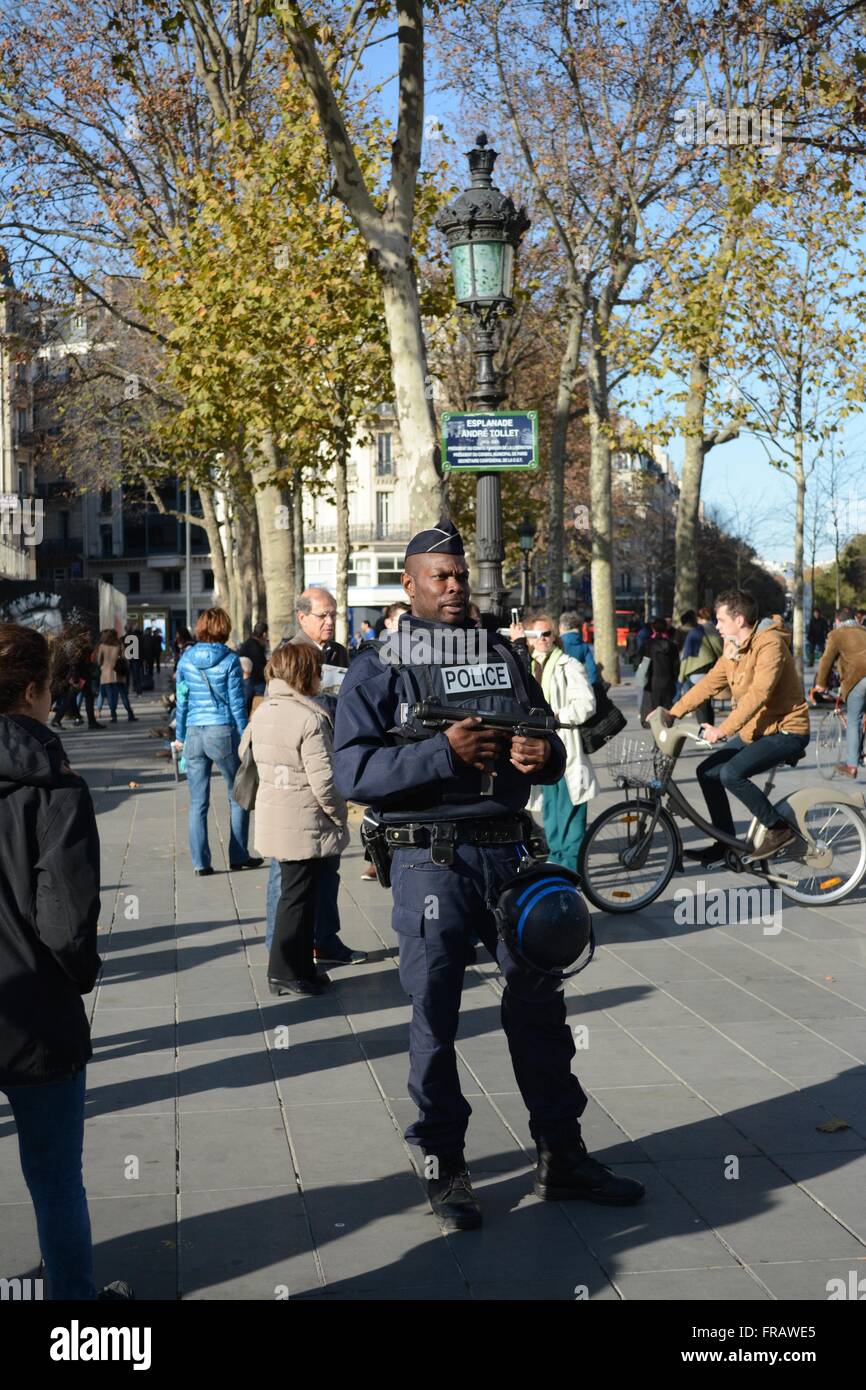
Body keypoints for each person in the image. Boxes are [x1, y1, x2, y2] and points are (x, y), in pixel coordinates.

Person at [333, 520, 644, 1232]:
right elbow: (353, 773)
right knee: (435, 1016)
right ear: (407, 584)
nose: (452, 586)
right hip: (428, 861)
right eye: (437, 576)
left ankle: (562, 1156)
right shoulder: (378, 664)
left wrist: (543, 759)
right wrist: (441, 753)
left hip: (509, 854)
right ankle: (446, 1169)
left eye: (459, 574)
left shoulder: (500, 652)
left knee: (539, 1010)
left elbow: (546, 741)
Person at [0, 623, 132, 1300]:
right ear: (33, 692)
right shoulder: (56, 786)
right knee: (54, 1181)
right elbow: (66, 918)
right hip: (35, 1012)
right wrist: (78, 977)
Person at [658, 590, 810, 864]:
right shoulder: (733, 648)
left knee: (730, 773)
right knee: (706, 772)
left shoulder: (770, 644)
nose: (716, 626)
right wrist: (673, 713)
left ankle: (779, 829)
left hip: (787, 730)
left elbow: (759, 694)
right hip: (757, 730)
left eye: (720, 619)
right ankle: (725, 841)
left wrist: (723, 729)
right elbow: (709, 683)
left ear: (739, 619)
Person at [242, 643, 350, 996]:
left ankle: (301, 967)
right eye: (317, 669)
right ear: (305, 673)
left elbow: (246, 752)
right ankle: (284, 970)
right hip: (304, 819)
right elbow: (324, 781)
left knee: (298, 896)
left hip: (278, 814)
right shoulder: (310, 718)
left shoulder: (266, 709)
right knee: (297, 899)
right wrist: (339, 815)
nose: (322, 676)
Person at [173, 607, 261, 875]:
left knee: (198, 802)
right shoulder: (230, 660)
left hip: (193, 733)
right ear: (224, 628)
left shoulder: (186, 660)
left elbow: (182, 700)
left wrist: (179, 737)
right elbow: (236, 704)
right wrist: (246, 736)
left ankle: (201, 863)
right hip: (221, 730)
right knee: (237, 794)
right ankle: (238, 854)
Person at [525, 615, 598, 868]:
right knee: (550, 806)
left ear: (555, 635)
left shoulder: (568, 665)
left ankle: (569, 862)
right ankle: (556, 857)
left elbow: (587, 704)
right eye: (536, 635)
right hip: (540, 745)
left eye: (546, 633)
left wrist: (558, 717)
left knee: (570, 805)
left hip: (565, 742)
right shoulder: (528, 665)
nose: (542, 639)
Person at [812, 606, 866, 777]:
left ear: (837, 621)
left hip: (858, 679)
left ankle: (851, 766)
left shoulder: (836, 634)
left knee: (854, 719)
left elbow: (826, 661)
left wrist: (820, 684)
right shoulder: (864, 630)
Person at [51, 624, 103, 732]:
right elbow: (75, 663)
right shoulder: (80, 646)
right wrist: (75, 679)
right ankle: (57, 719)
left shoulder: (79, 644)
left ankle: (91, 721)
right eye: (87, 634)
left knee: (83, 697)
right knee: (72, 698)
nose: (90, 636)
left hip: (81, 676)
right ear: (82, 635)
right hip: (80, 677)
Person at [677, 610, 722, 725]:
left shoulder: (700, 630)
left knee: (700, 701)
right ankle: (708, 727)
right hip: (707, 666)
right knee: (705, 701)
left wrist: (681, 676)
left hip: (696, 668)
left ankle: (704, 730)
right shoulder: (712, 628)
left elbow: (686, 655)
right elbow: (718, 646)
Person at [290, 588, 349, 668]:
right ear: (302, 618)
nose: (330, 622)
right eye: (322, 616)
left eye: (333, 615)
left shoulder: (339, 652)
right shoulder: (289, 655)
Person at [639, 616, 680, 727]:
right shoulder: (672, 646)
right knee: (667, 708)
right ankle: (667, 731)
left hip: (652, 681)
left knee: (654, 710)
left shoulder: (648, 644)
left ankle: (657, 738)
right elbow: (676, 666)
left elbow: (641, 661)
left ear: (653, 629)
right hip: (668, 680)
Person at [95, 630, 136, 723]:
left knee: (111, 697)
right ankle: (130, 714)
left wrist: (103, 665)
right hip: (119, 674)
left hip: (107, 675)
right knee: (124, 696)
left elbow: (98, 660)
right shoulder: (119, 645)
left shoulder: (102, 646)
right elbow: (126, 659)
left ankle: (114, 716)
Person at [558, 610, 599, 684]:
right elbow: (591, 668)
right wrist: (592, 685)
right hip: (581, 683)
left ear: (562, 627)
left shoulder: (557, 644)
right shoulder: (583, 646)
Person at [238, 621, 269, 711]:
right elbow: (261, 667)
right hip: (255, 682)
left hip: (247, 681)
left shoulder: (247, 644)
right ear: (264, 634)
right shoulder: (257, 648)